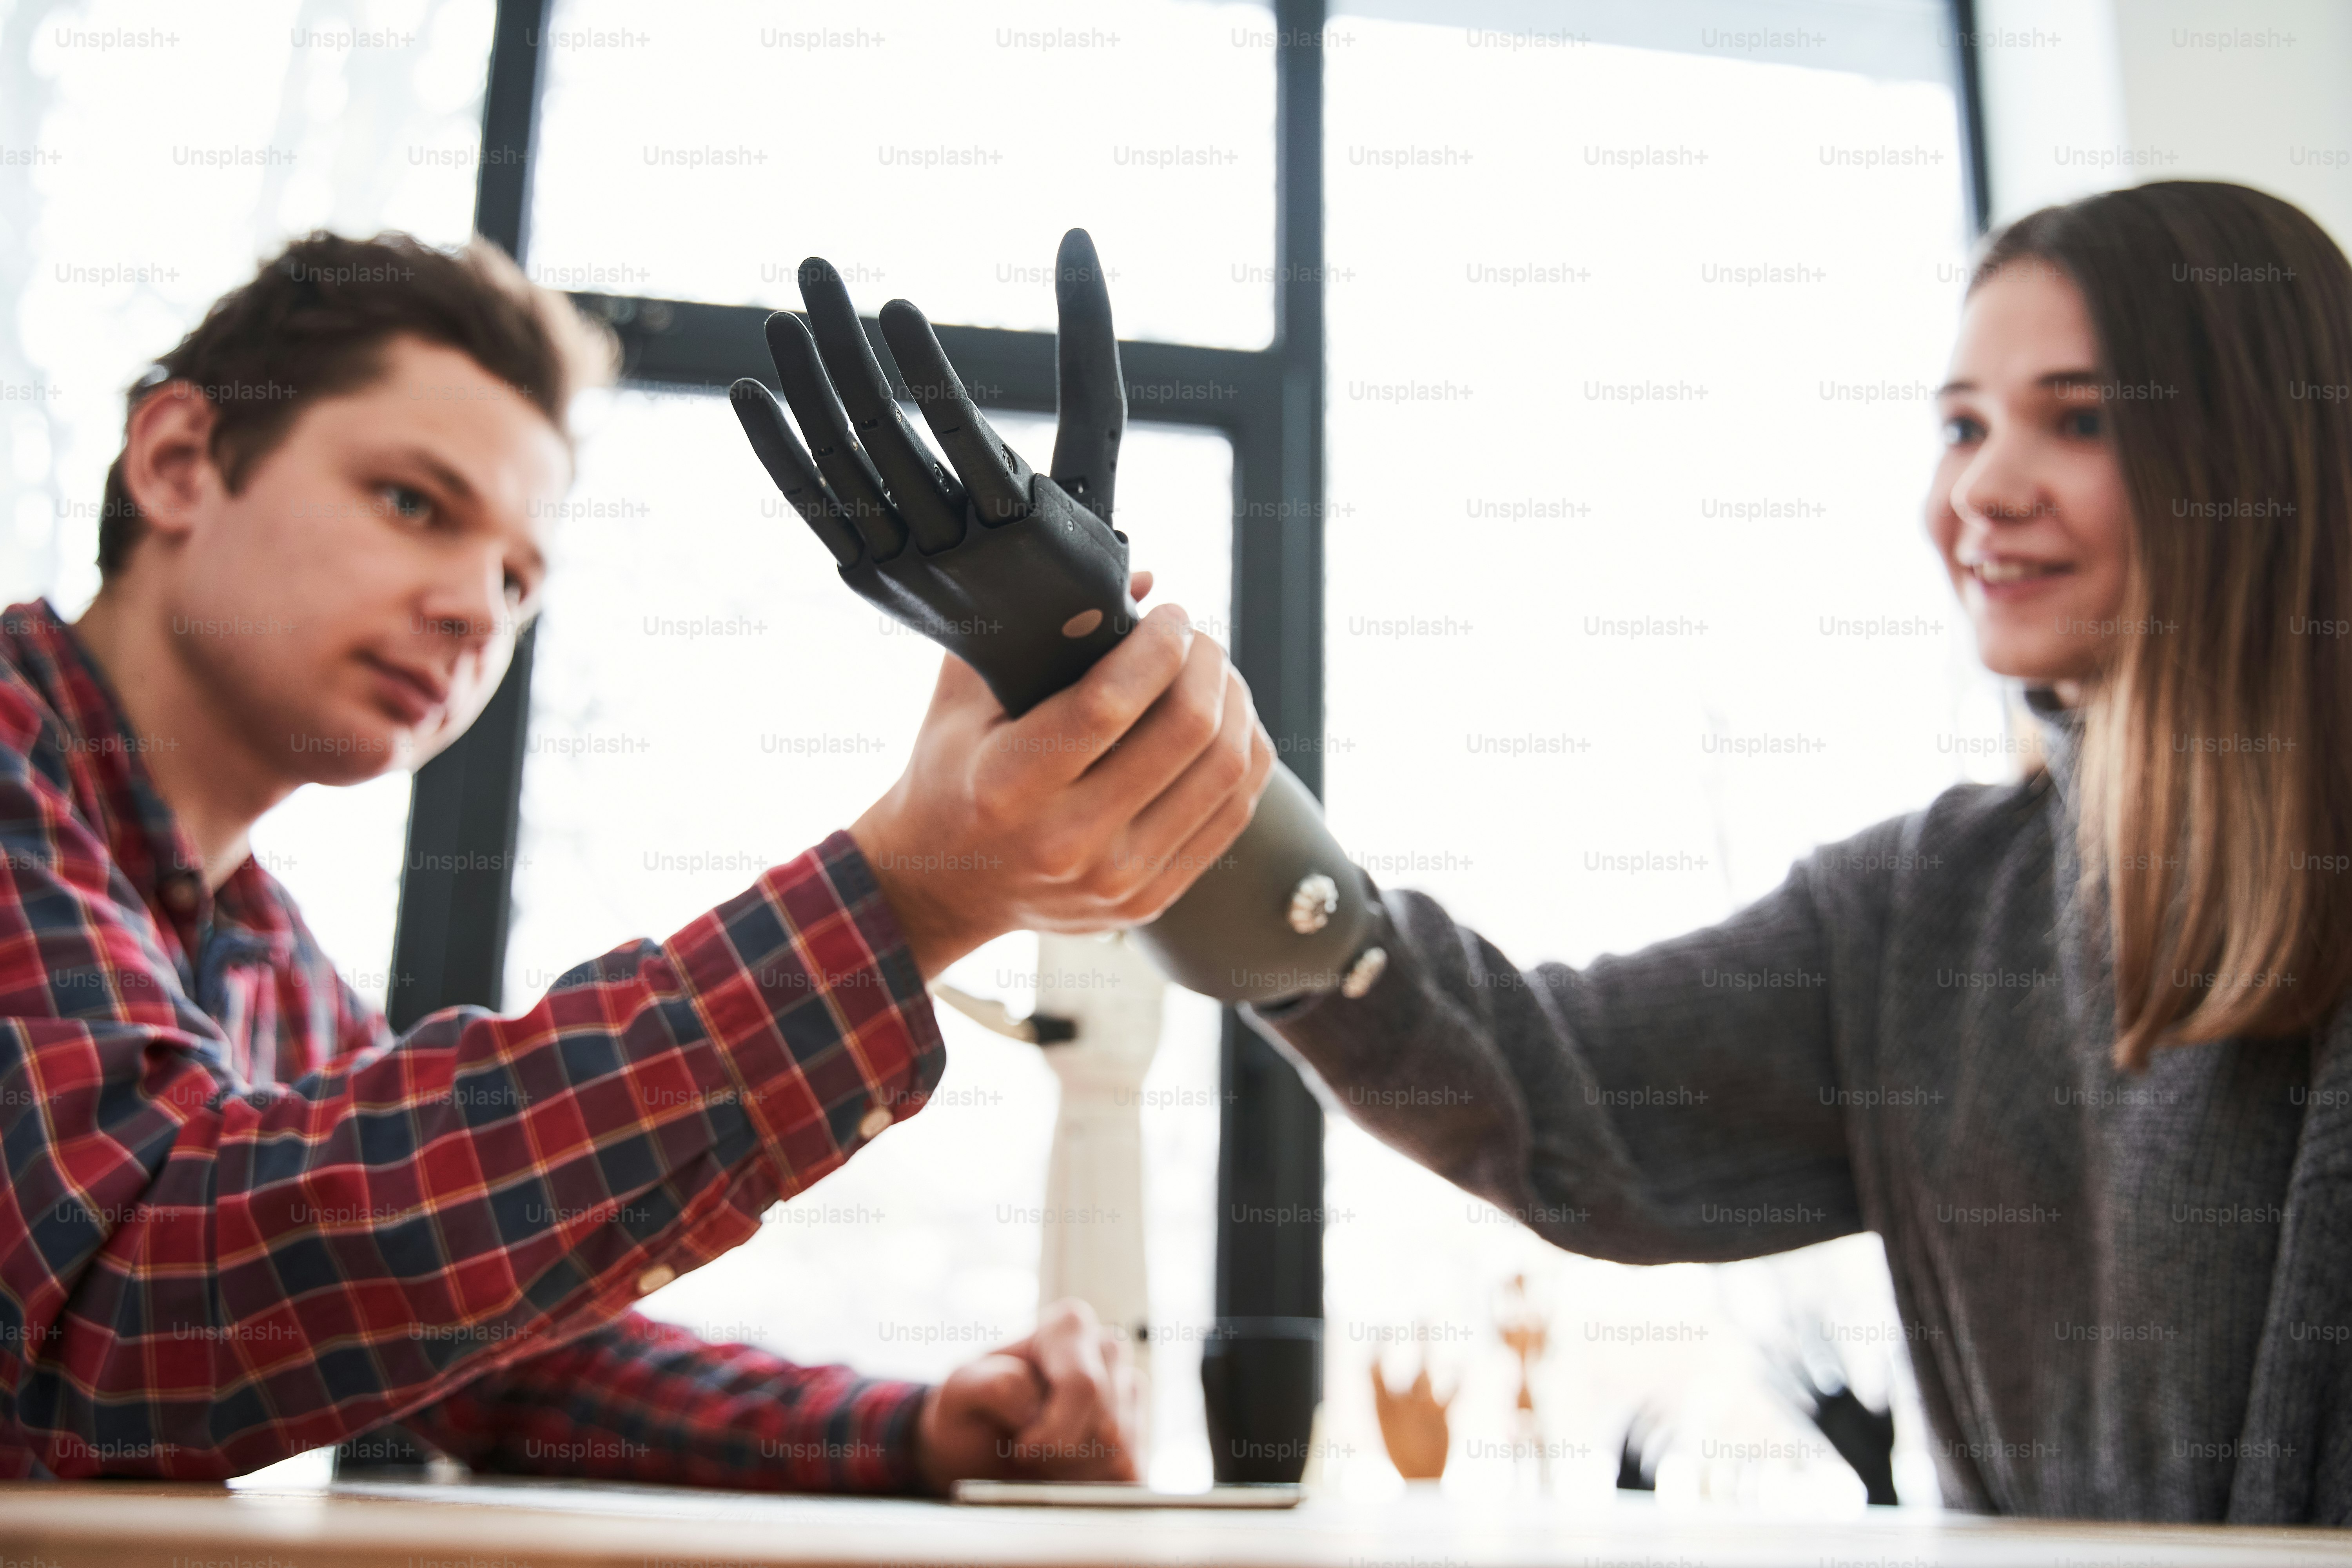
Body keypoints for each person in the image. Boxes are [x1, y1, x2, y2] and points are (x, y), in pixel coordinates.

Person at [0, 230, 1274, 1486]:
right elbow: (124, 1303)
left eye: (517, 583)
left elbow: (502, 1365)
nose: (472, 611)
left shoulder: (259, 957)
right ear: (178, 462)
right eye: (412, 502)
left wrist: (913, 1430)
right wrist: (903, 899)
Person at [1252, 180, 2352, 1525]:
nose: (1982, 490)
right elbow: (1558, 1091)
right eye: (1963, 427)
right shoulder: (1919, 914)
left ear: (2259, 457)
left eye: (2080, 420)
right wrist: (1216, 834)